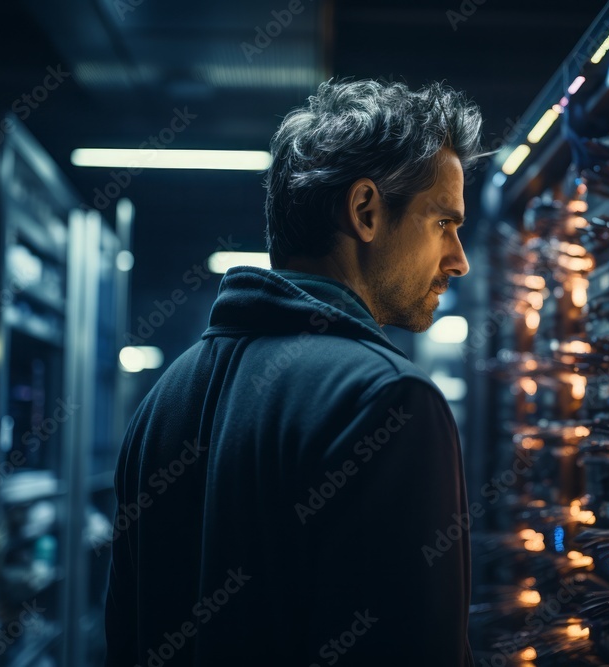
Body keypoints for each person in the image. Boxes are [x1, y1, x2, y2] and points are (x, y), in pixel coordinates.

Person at [104, 78, 484, 666]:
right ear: (365, 211)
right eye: (443, 224)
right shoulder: (389, 401)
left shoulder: (161, 403)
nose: (459, 259)